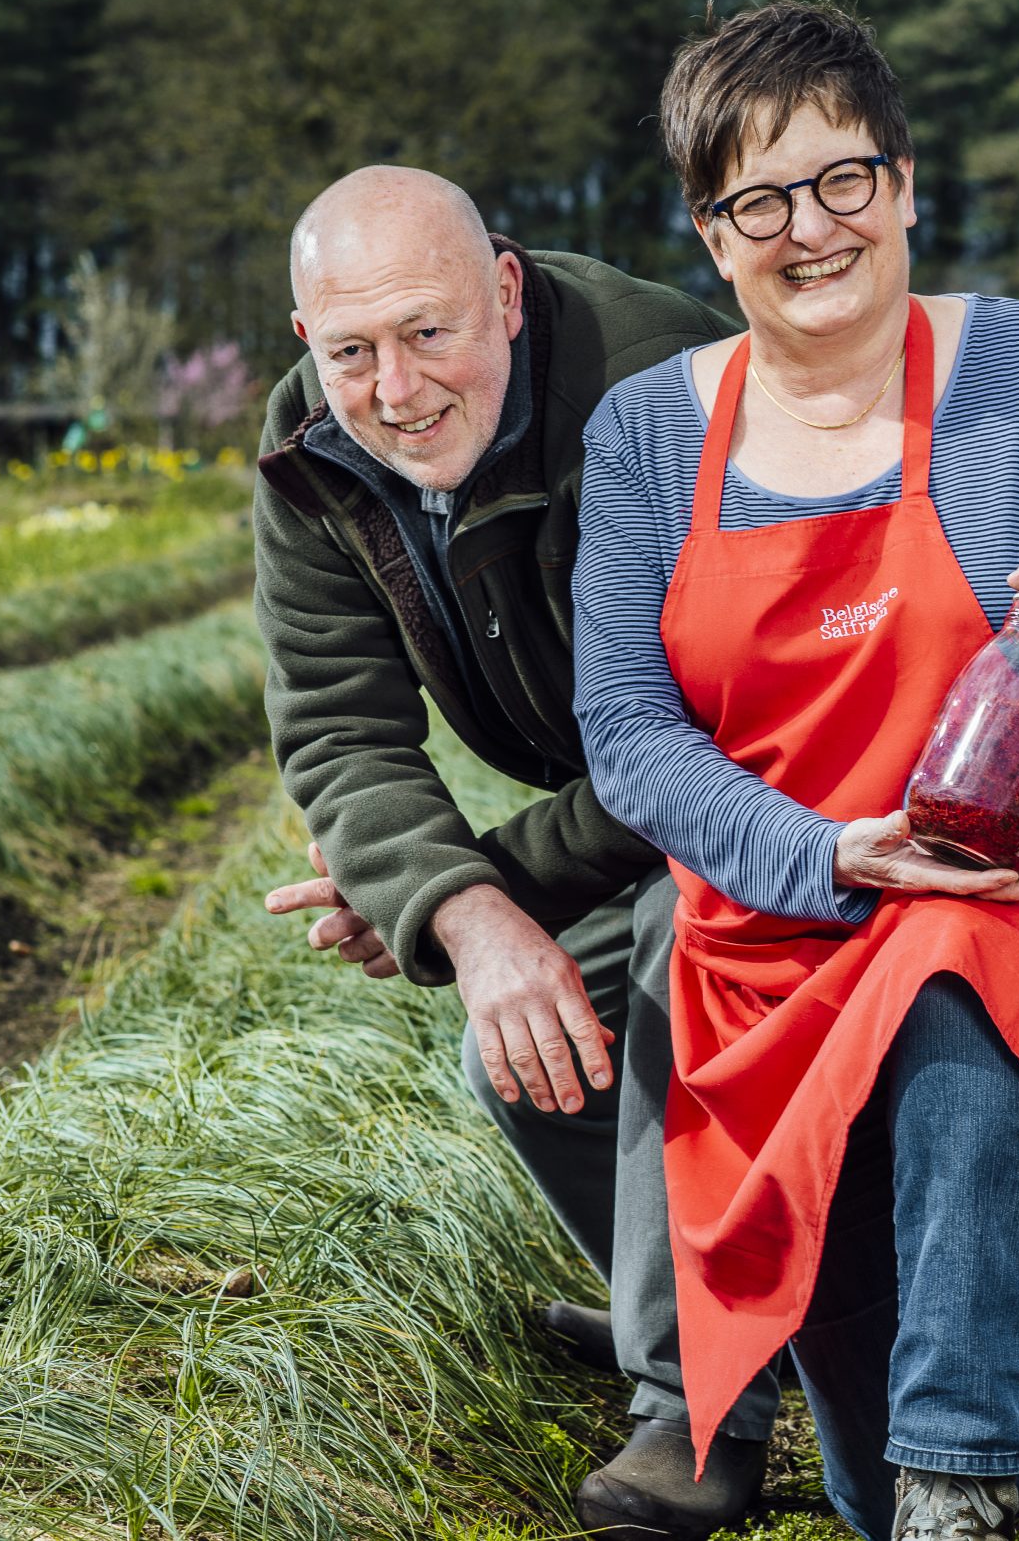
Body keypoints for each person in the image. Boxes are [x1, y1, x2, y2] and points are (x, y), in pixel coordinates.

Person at [573, 1, 1019, 1541]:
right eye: (759, 201)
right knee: (859, 1480)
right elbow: (628, 731)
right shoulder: (646, 438)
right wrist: (828, 854)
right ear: (711, 235)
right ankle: (944, 1399)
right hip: (786, 938)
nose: (810, 229)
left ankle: (966, 1473)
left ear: (906, 184)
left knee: (957, 959)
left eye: (843, 180)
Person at [249, 165, 782, 1537]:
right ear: (307, 341)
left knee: (677, 949)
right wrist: (456, 910)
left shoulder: (654, 389)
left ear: (505, 288)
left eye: (430, 331)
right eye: (352, 350)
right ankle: (719, 1305)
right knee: (528, 1051)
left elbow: (716, 735)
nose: (396, 388)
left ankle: (700, 1400)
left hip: (775, 792)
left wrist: (490, 882)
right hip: (625, 789)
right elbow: (338, 726)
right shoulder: (309, 443)